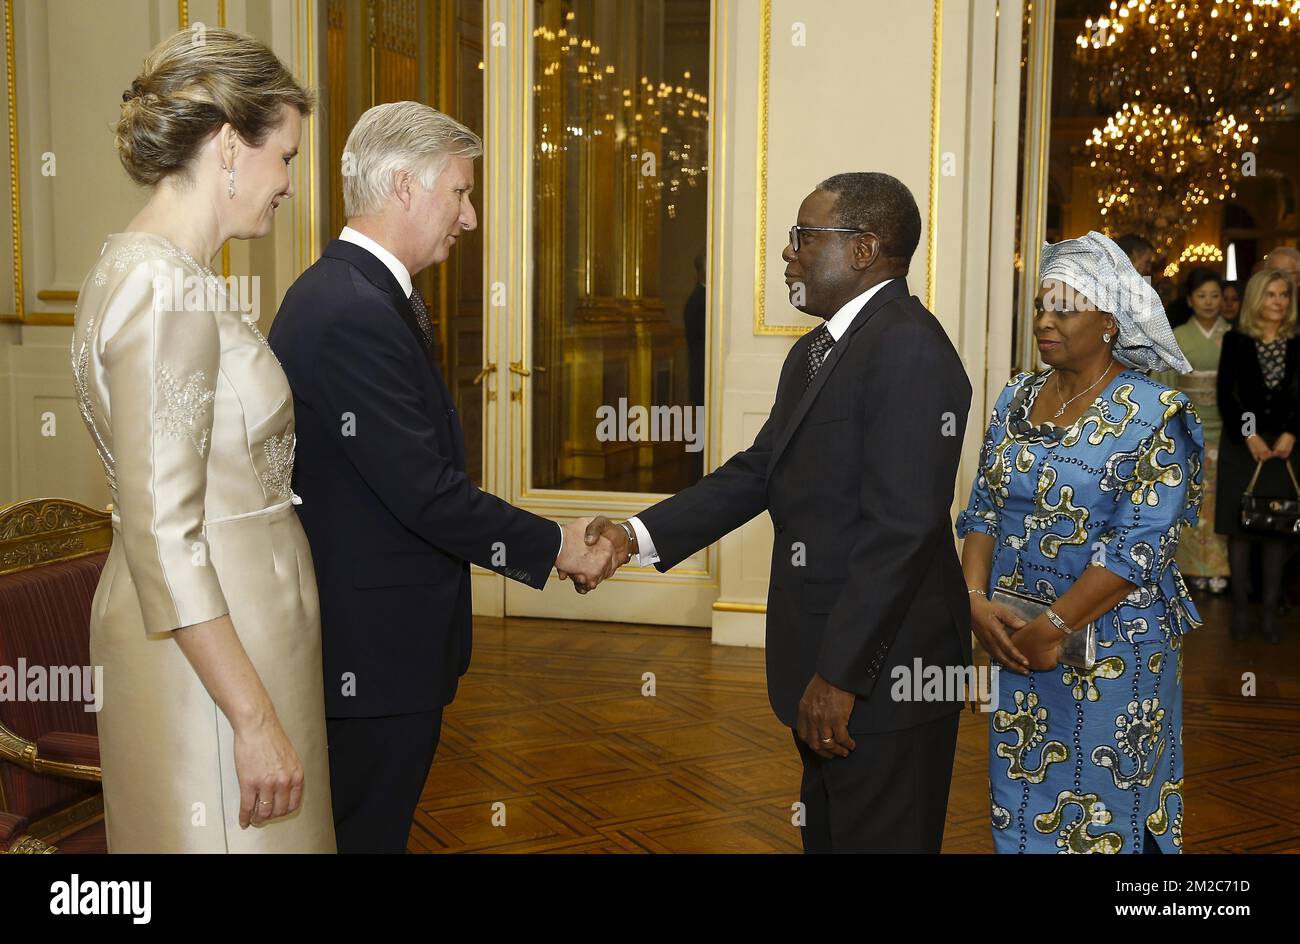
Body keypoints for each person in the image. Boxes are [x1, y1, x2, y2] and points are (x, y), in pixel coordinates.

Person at [585, 172, 973, 853]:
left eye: (803, 236)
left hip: (885, 678)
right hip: (832, 666)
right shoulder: (815, 352)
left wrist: (842, 675)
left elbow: (902, 531)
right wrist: (633, 535)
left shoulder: (909, 348)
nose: (788, 253)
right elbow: (760, 471)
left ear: (863, 249)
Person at [268, 102, 618, 853]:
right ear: (403, 185)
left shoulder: (359, 293)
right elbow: (423, 490)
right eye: (459, 192)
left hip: (380, 643)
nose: (469, 217)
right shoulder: (349, 309)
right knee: (366, 835)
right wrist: (556, 543)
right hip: (370, 652)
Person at [71, 29, 334, 851]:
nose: (290, 181)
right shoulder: (165, 291)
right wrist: (252, 718)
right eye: (284, 155)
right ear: (229, 146)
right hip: (215, 658)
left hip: (228, 634)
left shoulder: (157, 272)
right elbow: (163, 531)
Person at [959, 232, 1202, 854]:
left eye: (1064, 308)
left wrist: (1056, 627)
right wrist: (974, 600)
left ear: (1111, 320)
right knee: (1022, 797)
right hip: (1018, 634)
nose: (1045, 320)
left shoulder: (1157, 414)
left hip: (1115, 647)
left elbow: (1136, 550)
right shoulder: (1016, 397)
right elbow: (984, 509)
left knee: (1103, 811)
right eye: (1042, 305)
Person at [1215, 268, 1300, 643]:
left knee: (1276, 529)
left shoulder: (1299, 340)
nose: (1278, 302)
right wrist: (1250, 434)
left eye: (1284, 295)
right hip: (1243, 446)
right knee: (1241, 529)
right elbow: (1228, 395)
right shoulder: (1236, 340)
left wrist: (1291, 434)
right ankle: (1239, 616)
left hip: (1287, 447)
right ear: (1256, 299)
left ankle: (1269, 615)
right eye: (1271, 295)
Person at [1155, 267, 1231, 593]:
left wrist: (1245, 428)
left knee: (1218, 503)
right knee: (1191, 500)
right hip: (1189, 426)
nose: (1209, 302)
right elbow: (1168, 387)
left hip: (1225, 426)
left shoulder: (1233, 335)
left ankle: (1218, 569)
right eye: (1202, 296)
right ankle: (1188, 568)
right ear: (1190, 300)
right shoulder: (1179, 337)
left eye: (1215, 295)